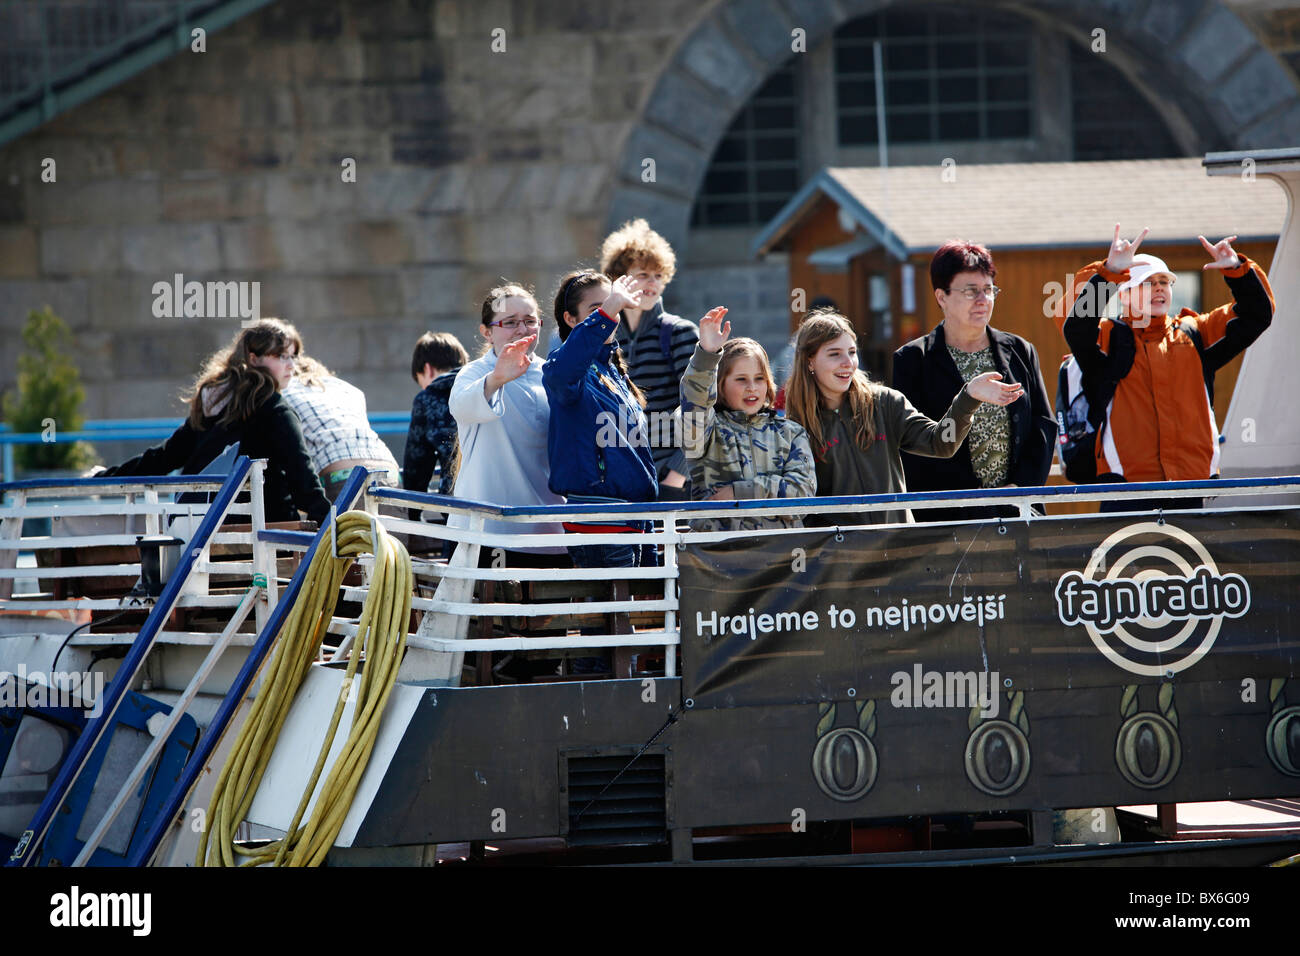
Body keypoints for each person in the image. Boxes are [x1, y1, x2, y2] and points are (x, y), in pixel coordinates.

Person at [1062, 224, 1275, 511]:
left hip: (1191, 486)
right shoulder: (1109, 336)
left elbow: (1257, 314)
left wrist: (1236, 269)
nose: (1160, 287)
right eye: (1149, 282)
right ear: (1123, 295)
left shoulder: (1195, 333)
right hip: (1126, 490)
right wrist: (1109, 272)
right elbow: (1076, 327)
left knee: (1193, 558)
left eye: (1165, 282)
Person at [784, 311, 1023, 525]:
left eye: (852, 352)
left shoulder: (884, 402)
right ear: (809, 361)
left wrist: (968, 398)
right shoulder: (794, 425)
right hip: (842, 558)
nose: (848, 363)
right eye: (835, 354)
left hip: (899, 548)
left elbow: (941, 442)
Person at [99, 319, 330, 525]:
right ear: (253, 358)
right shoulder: (275, 409)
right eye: (281, 356)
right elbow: (303, 481)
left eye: (293, 356)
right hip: (264, 536)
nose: (291, 365)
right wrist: (333, 526)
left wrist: (104, 478)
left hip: (200, 529)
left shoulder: (213, 402)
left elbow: (163, 458)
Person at [892, 240, 1057, 522]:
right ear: (941, 297)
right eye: (971, 291)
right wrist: (964, 505)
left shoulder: (1020, 350)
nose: (983, 300)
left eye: (988, 290)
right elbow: (909, 445)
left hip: (1019, 512)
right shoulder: (913, 359)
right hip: (947, 520)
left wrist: (1019, 489)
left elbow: (1044, 425)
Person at [544, 270, 658, 569]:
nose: (611, 314)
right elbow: (562, 372)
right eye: (598, 309)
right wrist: (609, 311)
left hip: (637, 517)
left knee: (651, 612)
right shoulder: (563, 365)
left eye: (615, 305)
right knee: (616, 613)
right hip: (600, 518)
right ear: (570, 319)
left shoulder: (612, 370)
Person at [448, 283, 567, 564]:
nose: (523, 330)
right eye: (510, 323)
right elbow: (460, 407)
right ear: (487, 332)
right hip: (488, 530)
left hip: (549, 530)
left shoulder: (552, 372)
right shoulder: (474, 372)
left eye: (530, 321)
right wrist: (497, 378)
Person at [680, 307, 816, 531]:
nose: (752, 388)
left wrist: (739, 492)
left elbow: (802, 494)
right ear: (720, 385)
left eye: (759, 378)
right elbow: (694, 403)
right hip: (718, 556)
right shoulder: (706, 430)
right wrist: (706, 355)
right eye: (741, 379)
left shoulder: (791, 432)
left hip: (781, 555)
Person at [599, 218, 699, 496]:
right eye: (643, 274)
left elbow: (702, 408)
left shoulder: (680, 332)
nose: (652, 283)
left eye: (658, 275)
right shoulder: (605, 337)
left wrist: (677, 475)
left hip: (673, 480)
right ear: (620, 279)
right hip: (625, 479)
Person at [280, 356, 400, 502]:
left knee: (345, 524)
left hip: (342, 476)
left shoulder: (285, 391)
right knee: (388, 525)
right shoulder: (349, 389)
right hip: (390, 471)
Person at [404, 331, 470, 498]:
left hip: (458, 502)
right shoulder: (484, 384)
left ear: (428, 369)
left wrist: (413, 512)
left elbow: (417, 464)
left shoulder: (428, 398)